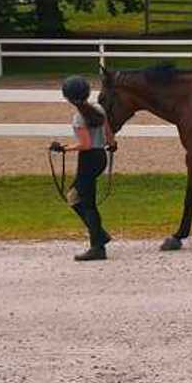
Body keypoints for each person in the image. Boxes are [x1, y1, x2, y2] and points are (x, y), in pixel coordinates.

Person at [53, 75, 113, 260]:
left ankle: (98, 244)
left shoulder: (79, 117)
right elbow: (109, 133)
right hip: (100, 157)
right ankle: (99, 235)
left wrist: (64, 148)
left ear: (69, 98)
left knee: (83, 202)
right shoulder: (99, 109)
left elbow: (85, 144)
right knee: (78, 198)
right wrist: (111, 143)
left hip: (88, 159)